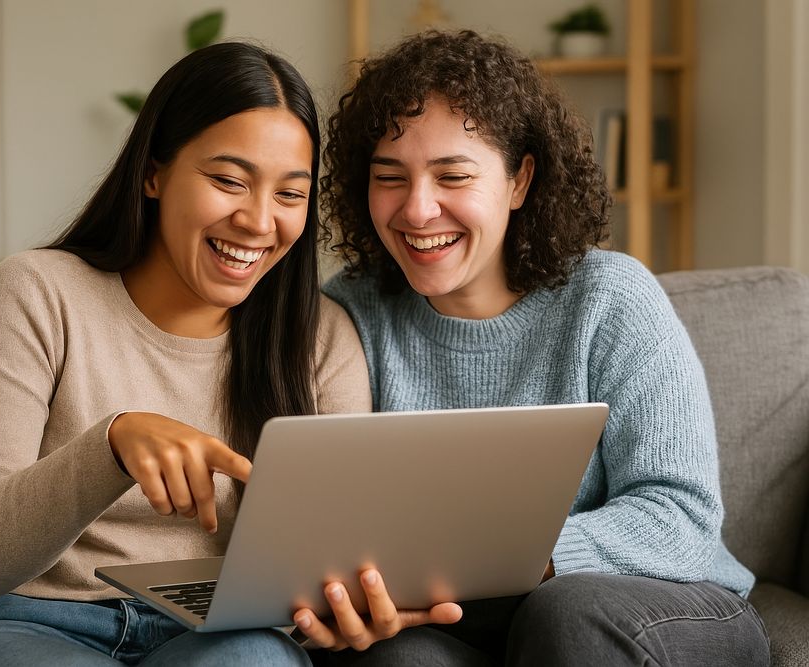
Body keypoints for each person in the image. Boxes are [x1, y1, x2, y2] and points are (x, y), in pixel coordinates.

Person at [0, 42, 443, 666]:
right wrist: (112, 445)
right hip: (16, 617)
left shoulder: (321, 338)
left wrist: (345, 608)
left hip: (211, 634)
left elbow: (325, 561)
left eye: (290, 194)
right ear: (154, 172)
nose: (259, 222)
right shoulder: (39, 292)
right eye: (228, 181)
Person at [318, 30, 771, 666]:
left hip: (660, 604)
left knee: (566, 614)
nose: (417, 210)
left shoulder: (609, 297)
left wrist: (507, 552)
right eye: (389, 177)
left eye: (453, 175)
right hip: (467, 621)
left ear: (520, 180)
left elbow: (682, 519)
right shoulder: (351, 309)